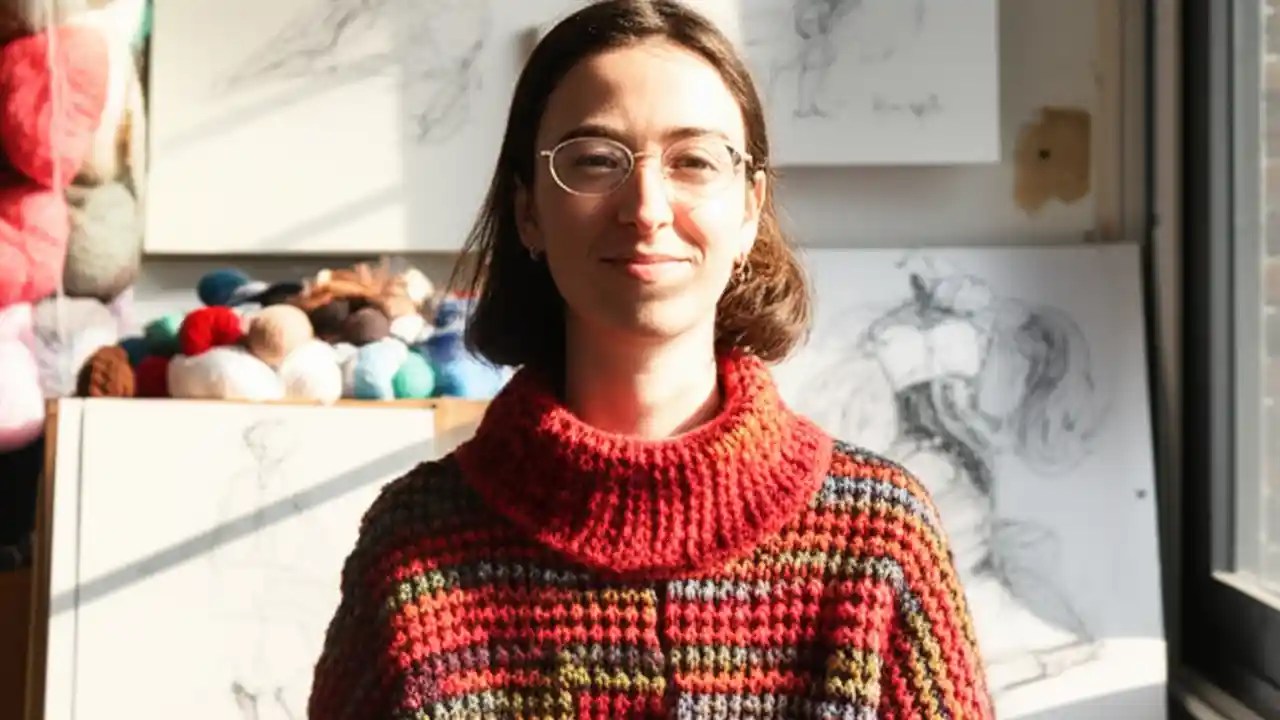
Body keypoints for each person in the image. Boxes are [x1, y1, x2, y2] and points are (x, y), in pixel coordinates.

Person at [308, 1, 993, 718]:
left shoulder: (879, 539)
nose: (646, 207)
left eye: (694, 161)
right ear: (529, 211)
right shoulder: (416, 549)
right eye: (596, 161)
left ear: (750, 208)